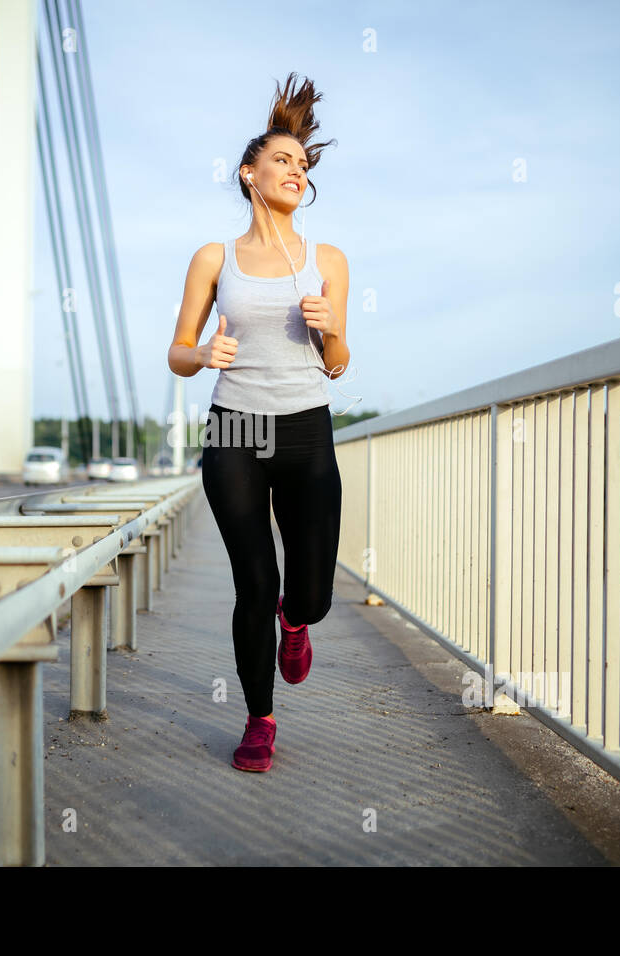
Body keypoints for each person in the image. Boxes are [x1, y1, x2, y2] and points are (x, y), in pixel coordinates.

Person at [166, 72, 350, 772]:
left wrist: (332, 331)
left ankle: (297, 624)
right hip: (236, 431)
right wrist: (203, 352)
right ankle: (259, 720)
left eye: (302, 164)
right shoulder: (214, 257)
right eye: (281, 160)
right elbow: (178, 353)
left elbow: (338, 362)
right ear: (249, 174)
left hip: (306, 429)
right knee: (255, 582)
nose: (294, 171)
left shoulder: (326, 260)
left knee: (311, 595)